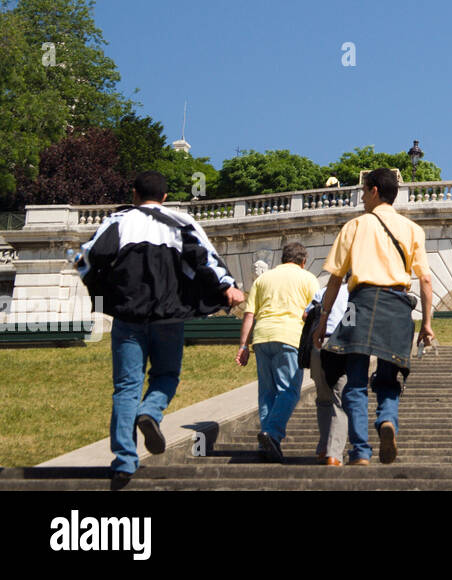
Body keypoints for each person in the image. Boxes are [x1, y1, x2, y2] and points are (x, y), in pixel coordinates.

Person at [76, 170, 244, 490]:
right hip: (169, 317)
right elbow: (205, 259)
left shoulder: (117, 221)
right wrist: (228, 287)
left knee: (126, 386)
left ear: (134, 193)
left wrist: (106, 295)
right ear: (165, 197)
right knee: (166, 376)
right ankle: (151, 411)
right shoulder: (181, 221)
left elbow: (85, 259)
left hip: (128, 318)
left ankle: (124, 460)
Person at [314, 168, 434, 466]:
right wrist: (428, 324)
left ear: (375, 191)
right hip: (398, 307)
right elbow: (426, 281)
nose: (362, 197)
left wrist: (323, 319)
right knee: (389, 377)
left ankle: (360, 451)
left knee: (354, 380)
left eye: (364, 190)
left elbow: (334, 279)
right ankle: (387, 420)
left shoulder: (354, 226)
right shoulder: (413, 230)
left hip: (360, 303)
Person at [236, 241, 319, 462]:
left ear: (283, 258)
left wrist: (243, 345)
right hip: (289, 337)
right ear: (303, 261)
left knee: (267, 392)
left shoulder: (263, 279)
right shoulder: (308, 279)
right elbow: (314, 312)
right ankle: (272, 433)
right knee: (289, 391)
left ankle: (268, 443)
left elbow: (249, 314)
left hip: (262, 338)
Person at [306, 277, 350, 465]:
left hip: (318, 346)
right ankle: (334, 453)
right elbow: (352, 322)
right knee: (340, 402)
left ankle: (323, 448)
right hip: (340, 346)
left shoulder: (323, 292)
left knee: (323, 399)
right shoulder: (353, 294)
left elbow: (305, 315)